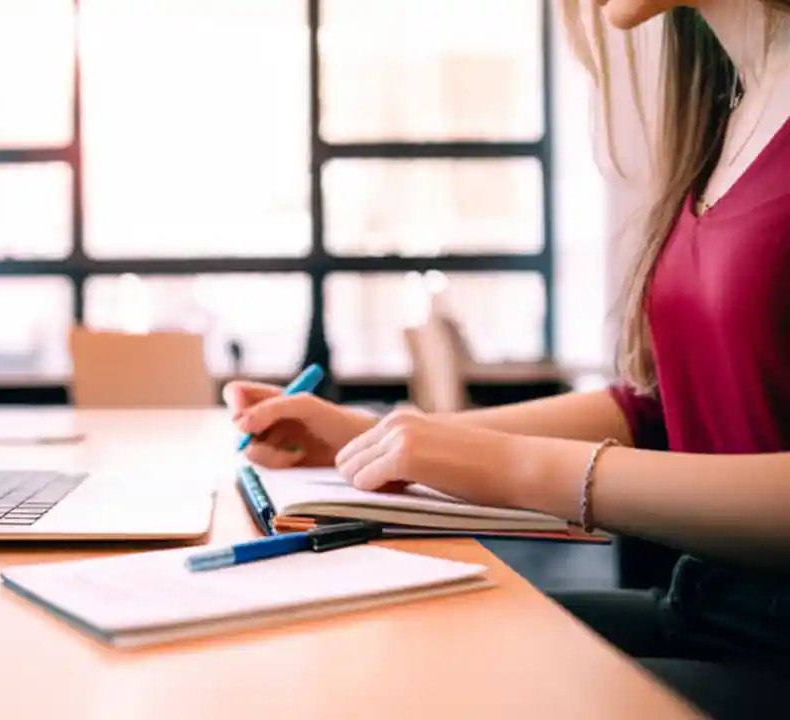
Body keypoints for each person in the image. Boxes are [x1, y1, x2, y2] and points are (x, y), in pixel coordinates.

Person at [225, 1, 790, 716]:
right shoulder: (734, 105)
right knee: (355, 643)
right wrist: (376, 433)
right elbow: (661, 410)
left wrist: (517, 468)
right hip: (709, 609)